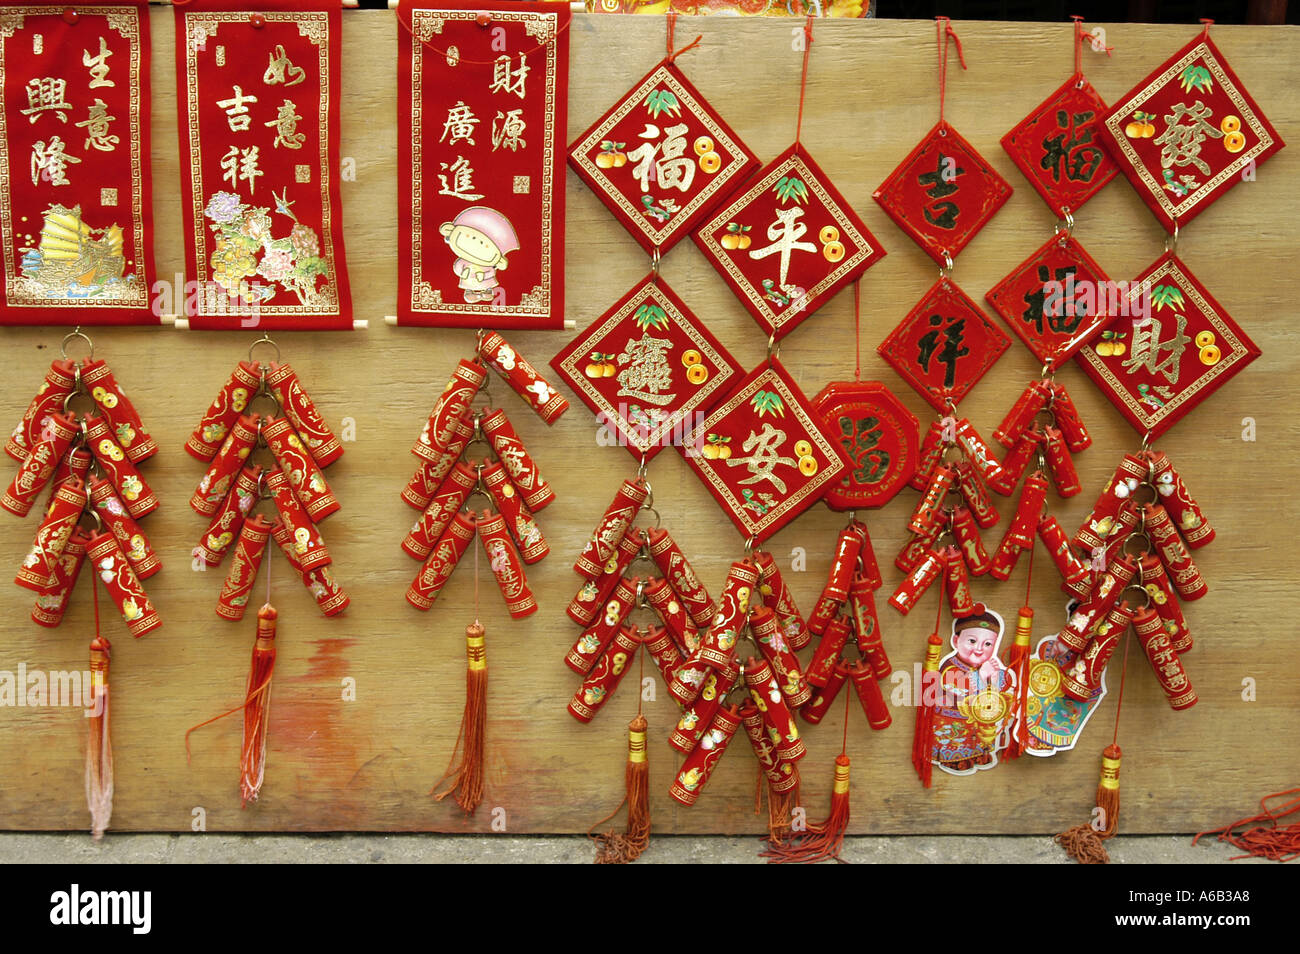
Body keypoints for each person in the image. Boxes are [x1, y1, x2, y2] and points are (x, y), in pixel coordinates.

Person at [931, 603, 1014, 773]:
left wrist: (995, 676)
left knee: (980, 740)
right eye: (972, 641)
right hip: (952, 722)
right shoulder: (950, 665)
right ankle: (953, 760)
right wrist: (981, 676)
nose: (978, 649)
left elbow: (1001, 688)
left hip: (977, 727)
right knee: (954, 741)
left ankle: (977, 755)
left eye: (987, 644)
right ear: (956, 640)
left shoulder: (987, 665)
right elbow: (953, 685)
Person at [439, 206, 519, 303]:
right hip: (469, 281)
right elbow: (458, 267)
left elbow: (491, 272)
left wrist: (483, 275)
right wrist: (463, 272)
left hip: (486, 282)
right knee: (469, 287)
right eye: (468, 237)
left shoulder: (488, 265)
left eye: (486, 246)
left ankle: (487, 291)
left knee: (487, 287)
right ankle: (470, 293)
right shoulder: (464, 261)